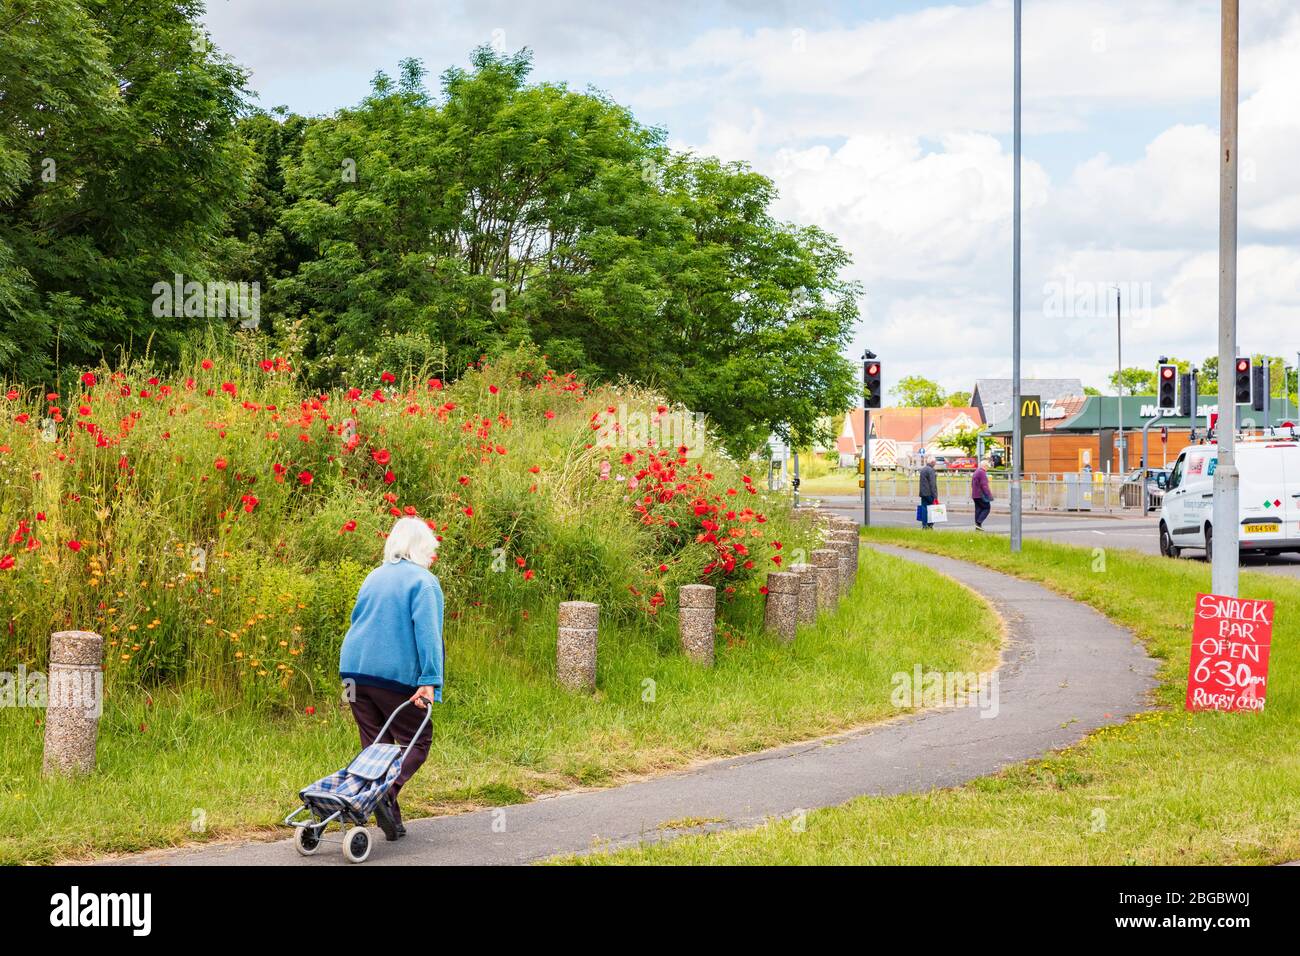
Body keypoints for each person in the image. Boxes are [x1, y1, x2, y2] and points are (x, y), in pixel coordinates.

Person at [338, 516, 444, 841]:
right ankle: (385, 793)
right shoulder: (423, 582)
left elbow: (359, 619)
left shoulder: (374, 576)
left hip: (354, 671)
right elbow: (428, 634)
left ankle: (391, 818)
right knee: (419, 739)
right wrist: (429, 679)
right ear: (422, 547)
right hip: (392, 674)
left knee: (376, 746)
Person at [971, 457, 994, 529]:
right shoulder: (982, 473)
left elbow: (972, 484)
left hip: (975, 495)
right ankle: (978, 522)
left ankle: (977, 525)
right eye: (987, 467)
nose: (987, 469)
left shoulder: (976, 471)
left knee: (978, 509)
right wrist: (989, 495)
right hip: (981, 495)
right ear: (984, 466)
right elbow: (984, 486)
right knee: (987, 508)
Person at [918, 456, 938, 529]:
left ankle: (924, 525)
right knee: (932, 509)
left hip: (923, 493)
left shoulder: (923, 470)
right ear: (932, 462)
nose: (935, 463)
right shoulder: (931, 470)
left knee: (924, 509)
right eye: (935, 462)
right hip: (929, 493)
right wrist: (935, 496)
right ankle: (930, 525)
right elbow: (932, 484)